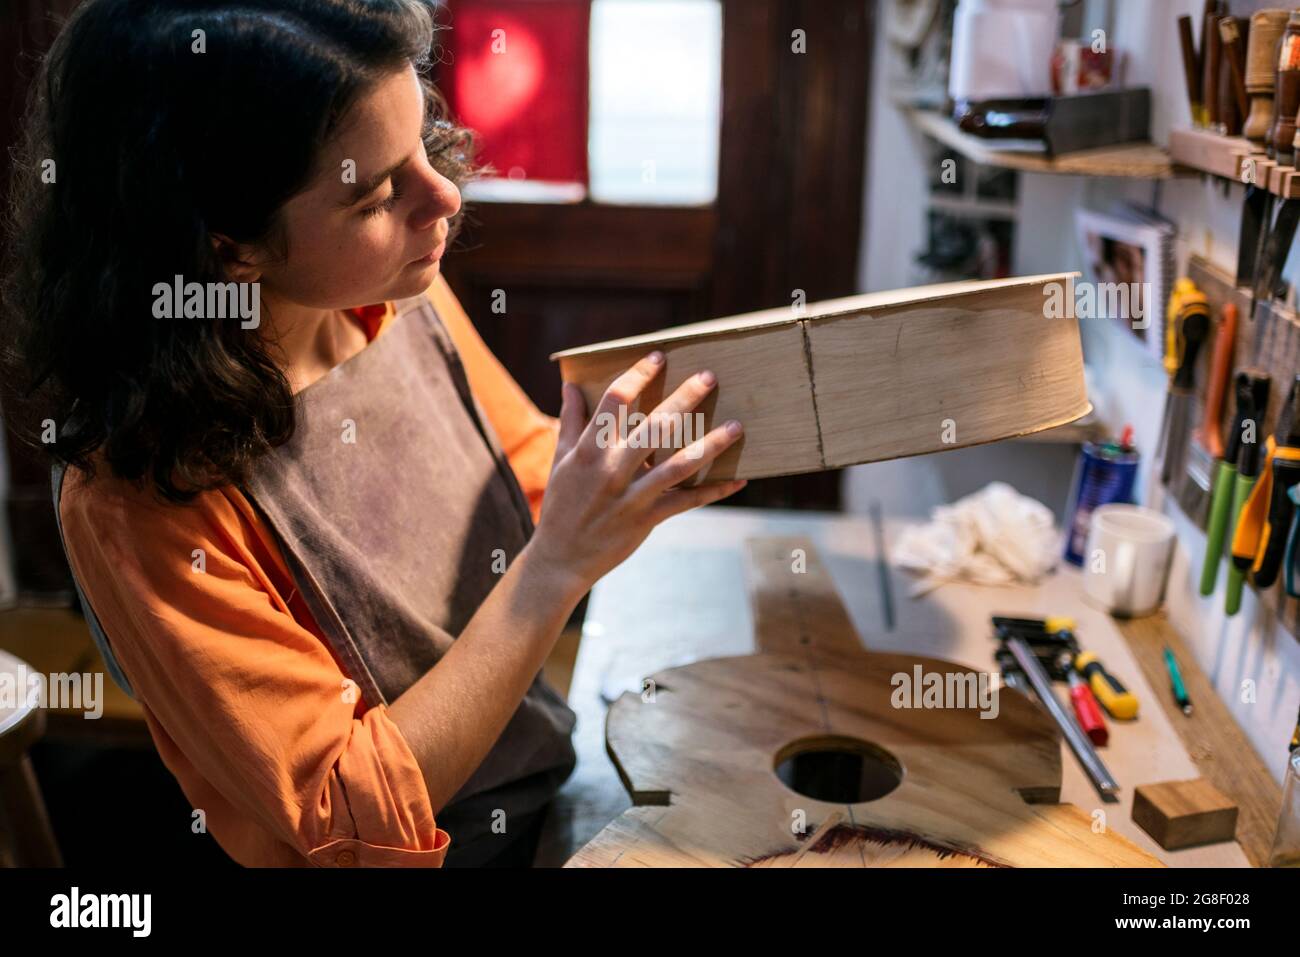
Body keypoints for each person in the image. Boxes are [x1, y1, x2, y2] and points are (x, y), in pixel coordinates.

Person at [0, 0, 745, 867]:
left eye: (423, 142)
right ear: (230, 249)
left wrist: (693, 445)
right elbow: (345, 806)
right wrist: (556, 569)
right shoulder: (138, 493)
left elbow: (524, 478)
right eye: (375, 194)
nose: (445, 196)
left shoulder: (386, 300)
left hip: (534, 790)